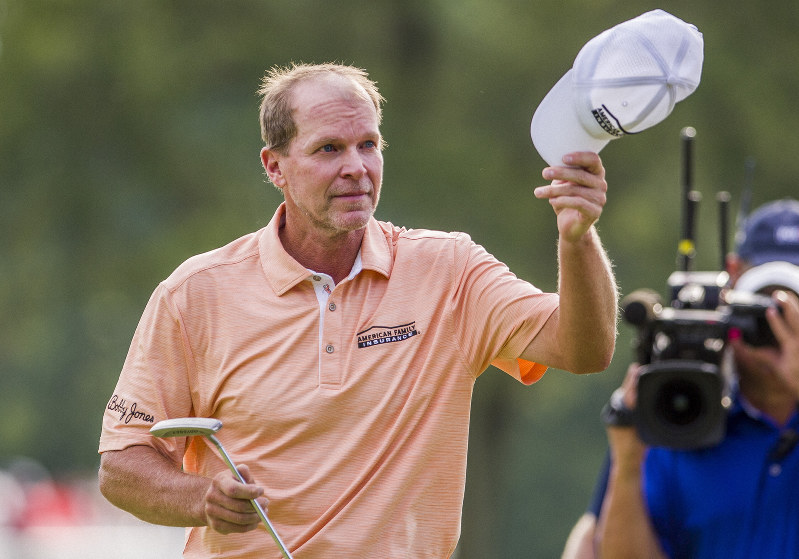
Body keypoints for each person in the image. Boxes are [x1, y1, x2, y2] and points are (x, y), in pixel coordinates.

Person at [97, 62, 618, 558]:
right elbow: (122, 465)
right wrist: (201, 498)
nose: (356, 167)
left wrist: (577, 240)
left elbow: (582, 349)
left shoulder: (450, 271)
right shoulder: (196, 294)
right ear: (274, 165)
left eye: (368, 145)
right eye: (328, 149)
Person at [560, 198, 799, 559]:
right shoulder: (674, 409)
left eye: (789, 307)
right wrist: (626, 462)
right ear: (733, 279)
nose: (773, 323)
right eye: (763, 303)